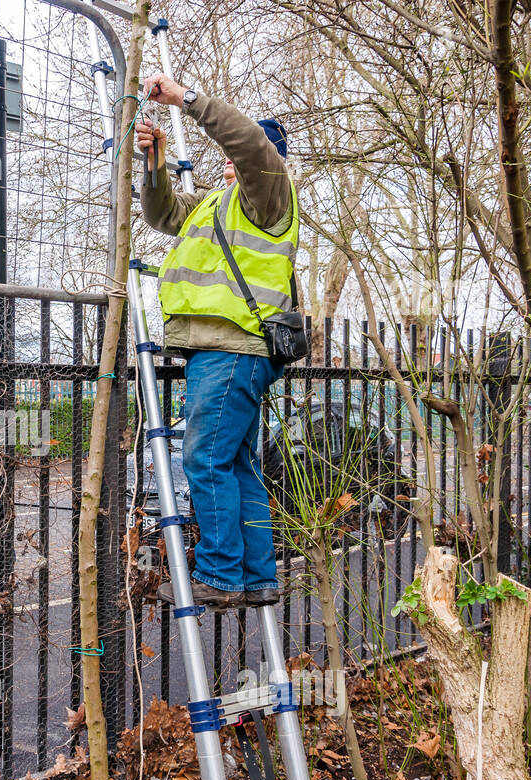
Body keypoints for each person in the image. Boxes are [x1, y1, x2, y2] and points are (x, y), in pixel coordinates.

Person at [136, 74, 296, 611]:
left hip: (231, 349)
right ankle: (258, 577)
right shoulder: (214, 205)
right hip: (230, 352)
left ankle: (222, 576)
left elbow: (249, 143)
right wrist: (155, 160)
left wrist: (185, 99)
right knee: (236, 466)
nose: (233, 159)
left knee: (203, 460)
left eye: (245, 152)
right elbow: (160, 214)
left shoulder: (269, 192)